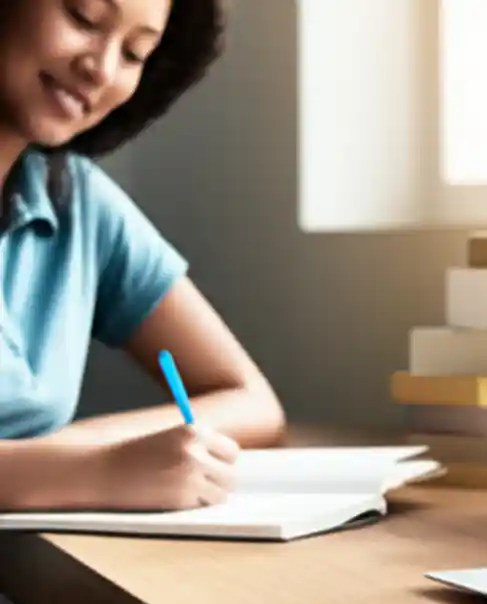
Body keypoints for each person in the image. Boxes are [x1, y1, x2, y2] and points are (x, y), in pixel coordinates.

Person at [0, 0, 285, 513]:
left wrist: (62, 454)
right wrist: (97, 470)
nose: (102, 69)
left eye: (135, 53)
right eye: (83, 18)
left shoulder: (76, 202)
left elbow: (251, 400)